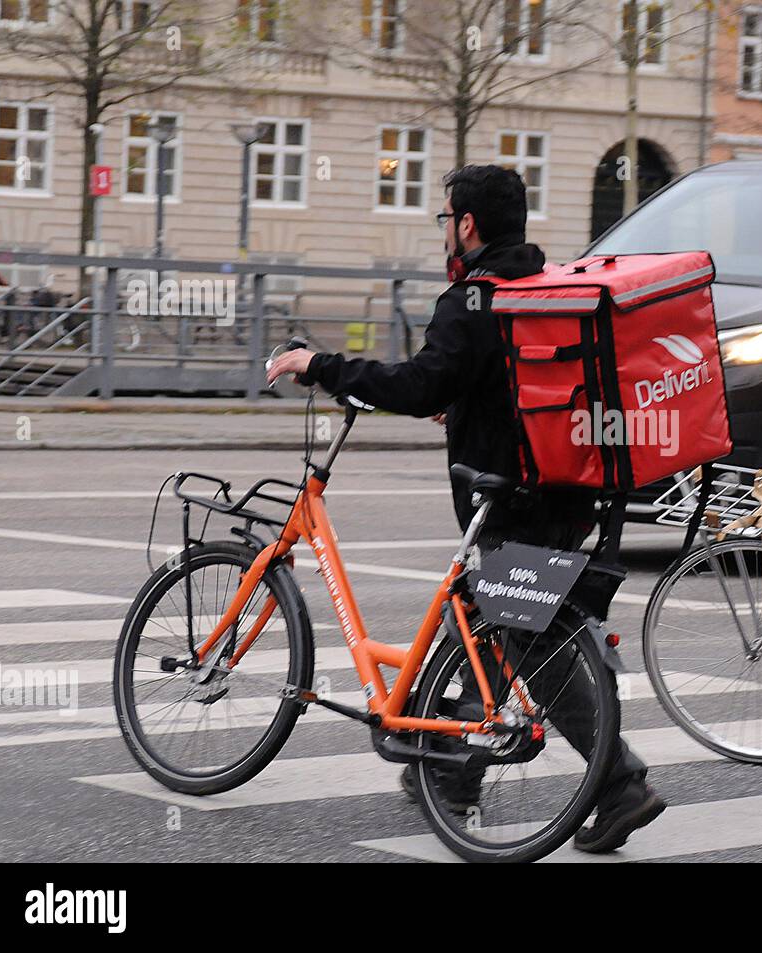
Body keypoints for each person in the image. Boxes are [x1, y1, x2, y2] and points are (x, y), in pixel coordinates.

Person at [266, 164, 664, 852]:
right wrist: (467, 406)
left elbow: (422, 382)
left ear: (467, 224)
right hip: (570, 490)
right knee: (485, 629)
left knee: (527, 646)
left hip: (508, 499)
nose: (446, 230)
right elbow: (507, 381)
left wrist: (321, 365)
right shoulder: (541, 286)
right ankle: (451, 774)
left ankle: (619, 784)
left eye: (446, 218)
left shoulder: (470, 298)